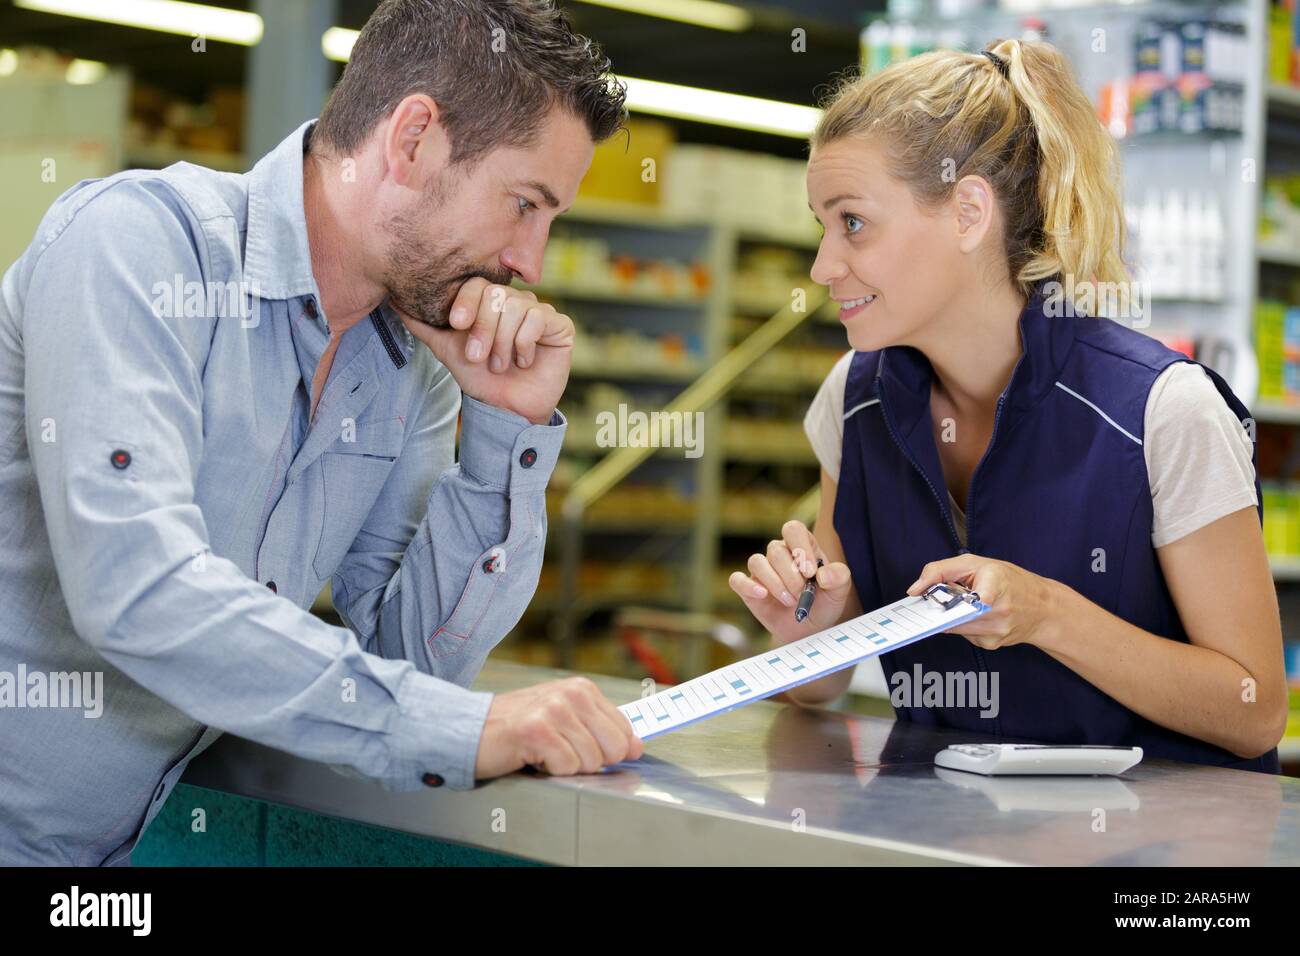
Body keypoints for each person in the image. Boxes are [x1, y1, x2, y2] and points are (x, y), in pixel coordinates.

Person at [0, 0, 643, 866]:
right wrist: (466, 728)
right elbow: (134, 586)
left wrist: (508, 424)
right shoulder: (140, 248)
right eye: (524, 204)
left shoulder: (411, 364)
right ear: (413, 139)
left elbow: (407, 658)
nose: (529, 263)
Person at [729, 39, 1287, 772]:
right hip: (949, 840)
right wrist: (812, 628)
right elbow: (821, 688)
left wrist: (1048, 614)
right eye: (821, 226)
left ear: (967, 212)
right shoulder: (854, 399)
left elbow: (1256, 711)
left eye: (853, 223)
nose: (823, 266)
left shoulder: (1162, 410)